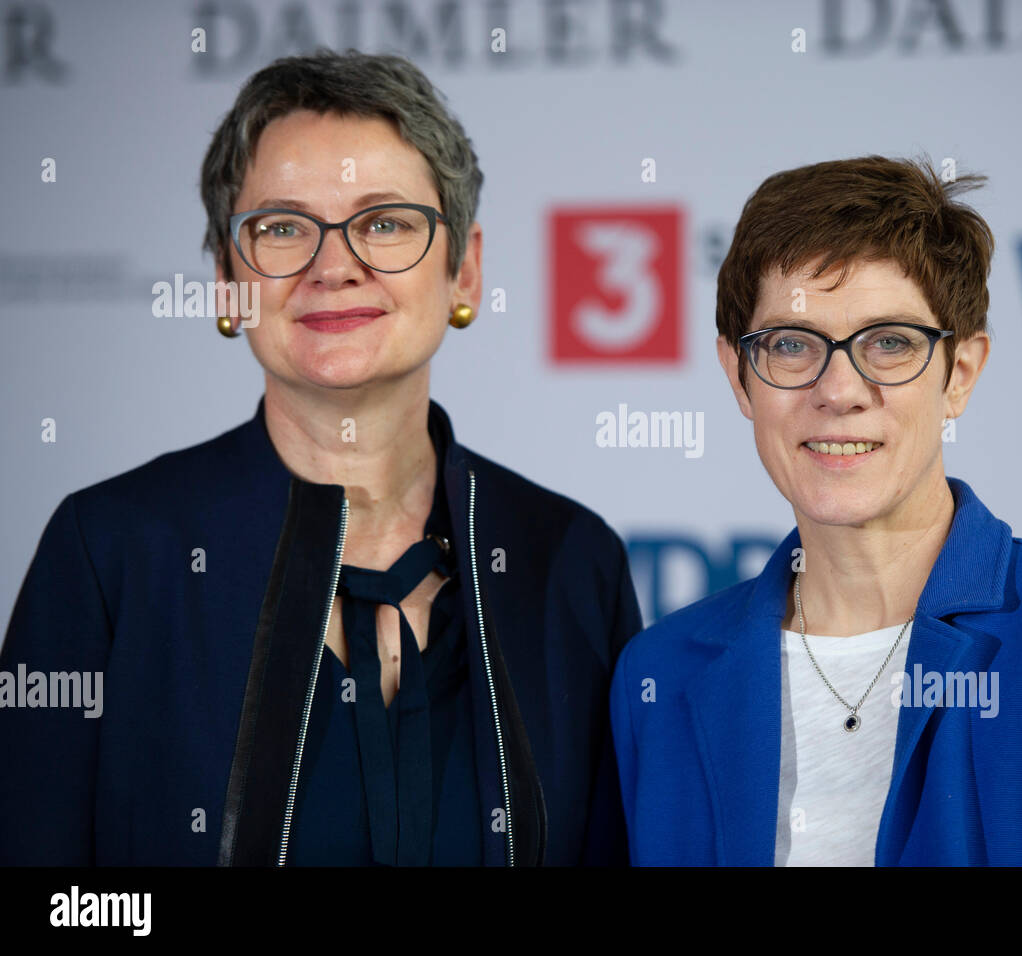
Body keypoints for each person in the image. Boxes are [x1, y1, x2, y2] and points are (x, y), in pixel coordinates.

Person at [0, 50, 641, 866]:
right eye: (282, 228)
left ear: (464, 268)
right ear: (229, 279)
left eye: (385, 223)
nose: (333, 267)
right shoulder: (111, 550)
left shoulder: (571, 561)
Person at [609, 156, 1022, 866]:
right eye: (791, 344)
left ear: (960, 373)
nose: (839, 389)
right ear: (738, 375)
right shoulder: (656, 676)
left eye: (890, 343)